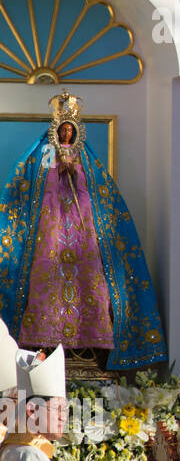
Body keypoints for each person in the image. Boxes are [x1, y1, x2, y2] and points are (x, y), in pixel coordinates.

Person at [0, 90, 165, 370]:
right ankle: (41, 348)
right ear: (57, 132)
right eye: (63, 130)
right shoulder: (44, 154)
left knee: (92, 282)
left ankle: (92, 347)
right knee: (44, 275)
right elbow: (35, 188)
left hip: (82, 225)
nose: (66, 135)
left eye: (70, 130)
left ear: (76, 132)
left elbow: (97, 194)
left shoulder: (86, 158)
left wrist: (75, 172)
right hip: (50, 227)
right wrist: (57, 170)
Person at [0, 322, 90, 461]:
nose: (63, 416)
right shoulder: (28, 456)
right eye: (58, 408)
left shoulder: (15, 452)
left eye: (65, 408)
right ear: (31, 409)